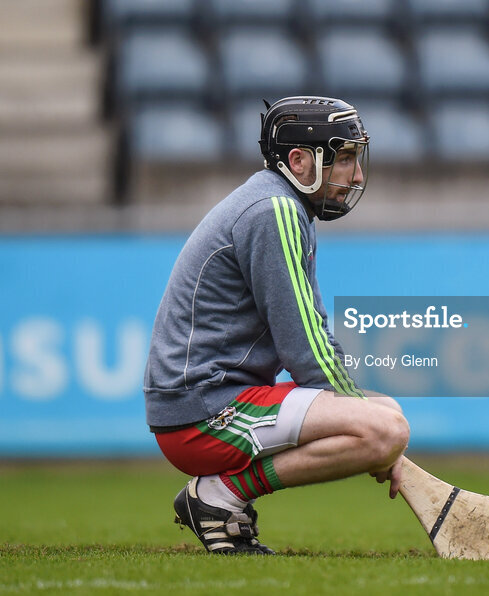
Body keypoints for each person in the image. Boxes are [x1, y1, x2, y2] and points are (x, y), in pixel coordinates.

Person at [144, 96, 410, 554]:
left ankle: (221, 496)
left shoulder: (283, 205)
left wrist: (373, 423)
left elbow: (314, 334)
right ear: (299, 161)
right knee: (385, 429)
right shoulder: (273, 210)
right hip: (201, 416)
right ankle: (219, 497)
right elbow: (305, 349)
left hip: (211, 403)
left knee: (385, 414)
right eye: (345, 158)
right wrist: (379, 440)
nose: (356, 176)